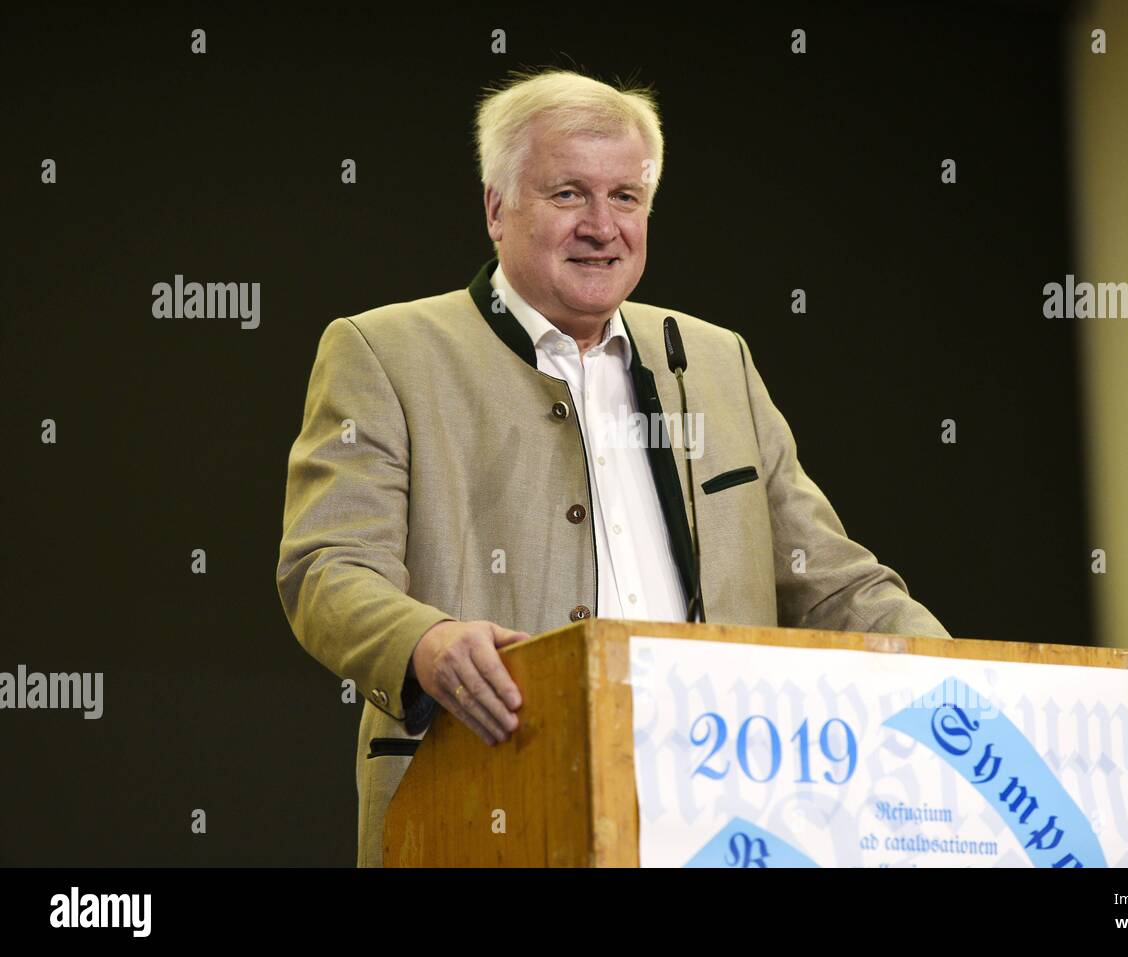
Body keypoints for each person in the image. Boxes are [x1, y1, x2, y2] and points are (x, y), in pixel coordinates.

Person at [275, 67, 950, 867]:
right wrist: (426, 641)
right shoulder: (385, 353)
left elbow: (834, 582)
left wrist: (964, 685)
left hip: (727, 815)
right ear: (497, 206)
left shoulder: (716, 359)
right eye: (568, 194)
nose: (603, 224)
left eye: (625, 197)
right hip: (487, 795)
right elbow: (326, 567)